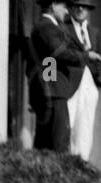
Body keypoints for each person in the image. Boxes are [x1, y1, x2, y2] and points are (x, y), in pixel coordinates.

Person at [29, 0, 93, 152]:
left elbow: (49, 61)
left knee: (48, 141)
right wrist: (86, 56)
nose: (66, 11)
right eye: (64, 6)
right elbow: (58, 52)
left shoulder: (48, 26)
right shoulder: (46, 26)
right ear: (52, 5)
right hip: (53, 92)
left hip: (52, 90)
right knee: (58, 141)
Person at [65, 1, 101, 159]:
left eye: (84, 6)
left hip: (90, 85)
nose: (80, 9)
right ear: (70, 7)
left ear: (88, 10)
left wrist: (98, 78)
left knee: (85, 128)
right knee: (67, 128)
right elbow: (50, 58)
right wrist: (49, 85)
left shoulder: (94, 32)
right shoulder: (61, 28)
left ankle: (82, 165)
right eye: (77, 5)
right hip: (68, 86)